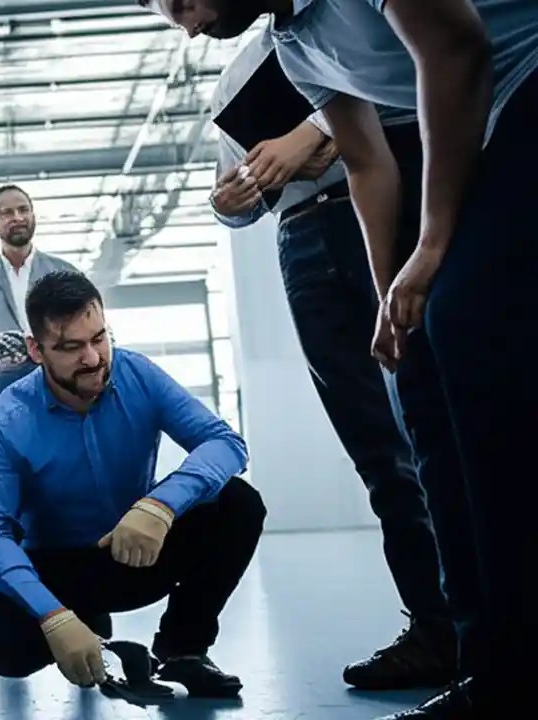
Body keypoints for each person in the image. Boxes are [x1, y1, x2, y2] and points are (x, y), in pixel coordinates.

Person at [146, 0, 538, 715]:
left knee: (467, 333)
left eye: (180, 2)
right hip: (443, 143)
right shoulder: (296, 45)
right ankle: (488, 663)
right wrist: (392, 297)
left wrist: (429, 250)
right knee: (416, 386)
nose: (188, 25)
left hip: (519, 90)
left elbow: (456, 51)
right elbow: (368, 162)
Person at [209, 29, 455, 691]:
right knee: (378, 450)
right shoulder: (233, 79)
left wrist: (315, 130)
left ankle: (484, 622)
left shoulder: (340, 24)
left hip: (375, 206)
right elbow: (233, 187)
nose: (189, 17)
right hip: (299, 239)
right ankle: (435, 628)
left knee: (439, 424)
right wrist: (228, 202)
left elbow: (409, 81)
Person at [0, 270, 264, 699]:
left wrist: (161, 505)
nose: (92, 357)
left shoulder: (137, 374)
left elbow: (224, 442)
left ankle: (184, 649)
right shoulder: (3, 423)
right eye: (70, 347)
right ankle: (82, 622)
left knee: (238, 503)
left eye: (99, 338)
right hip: (54, 569)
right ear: (36, 349)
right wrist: (53, 616)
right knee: (4, 650)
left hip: (135, 549)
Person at [0, 184, 79, 416]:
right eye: (6, 213)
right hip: (0, 393)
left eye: (23, 210)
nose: (17, 217)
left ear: (33, 216)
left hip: (58, 387)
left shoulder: (66, 273)